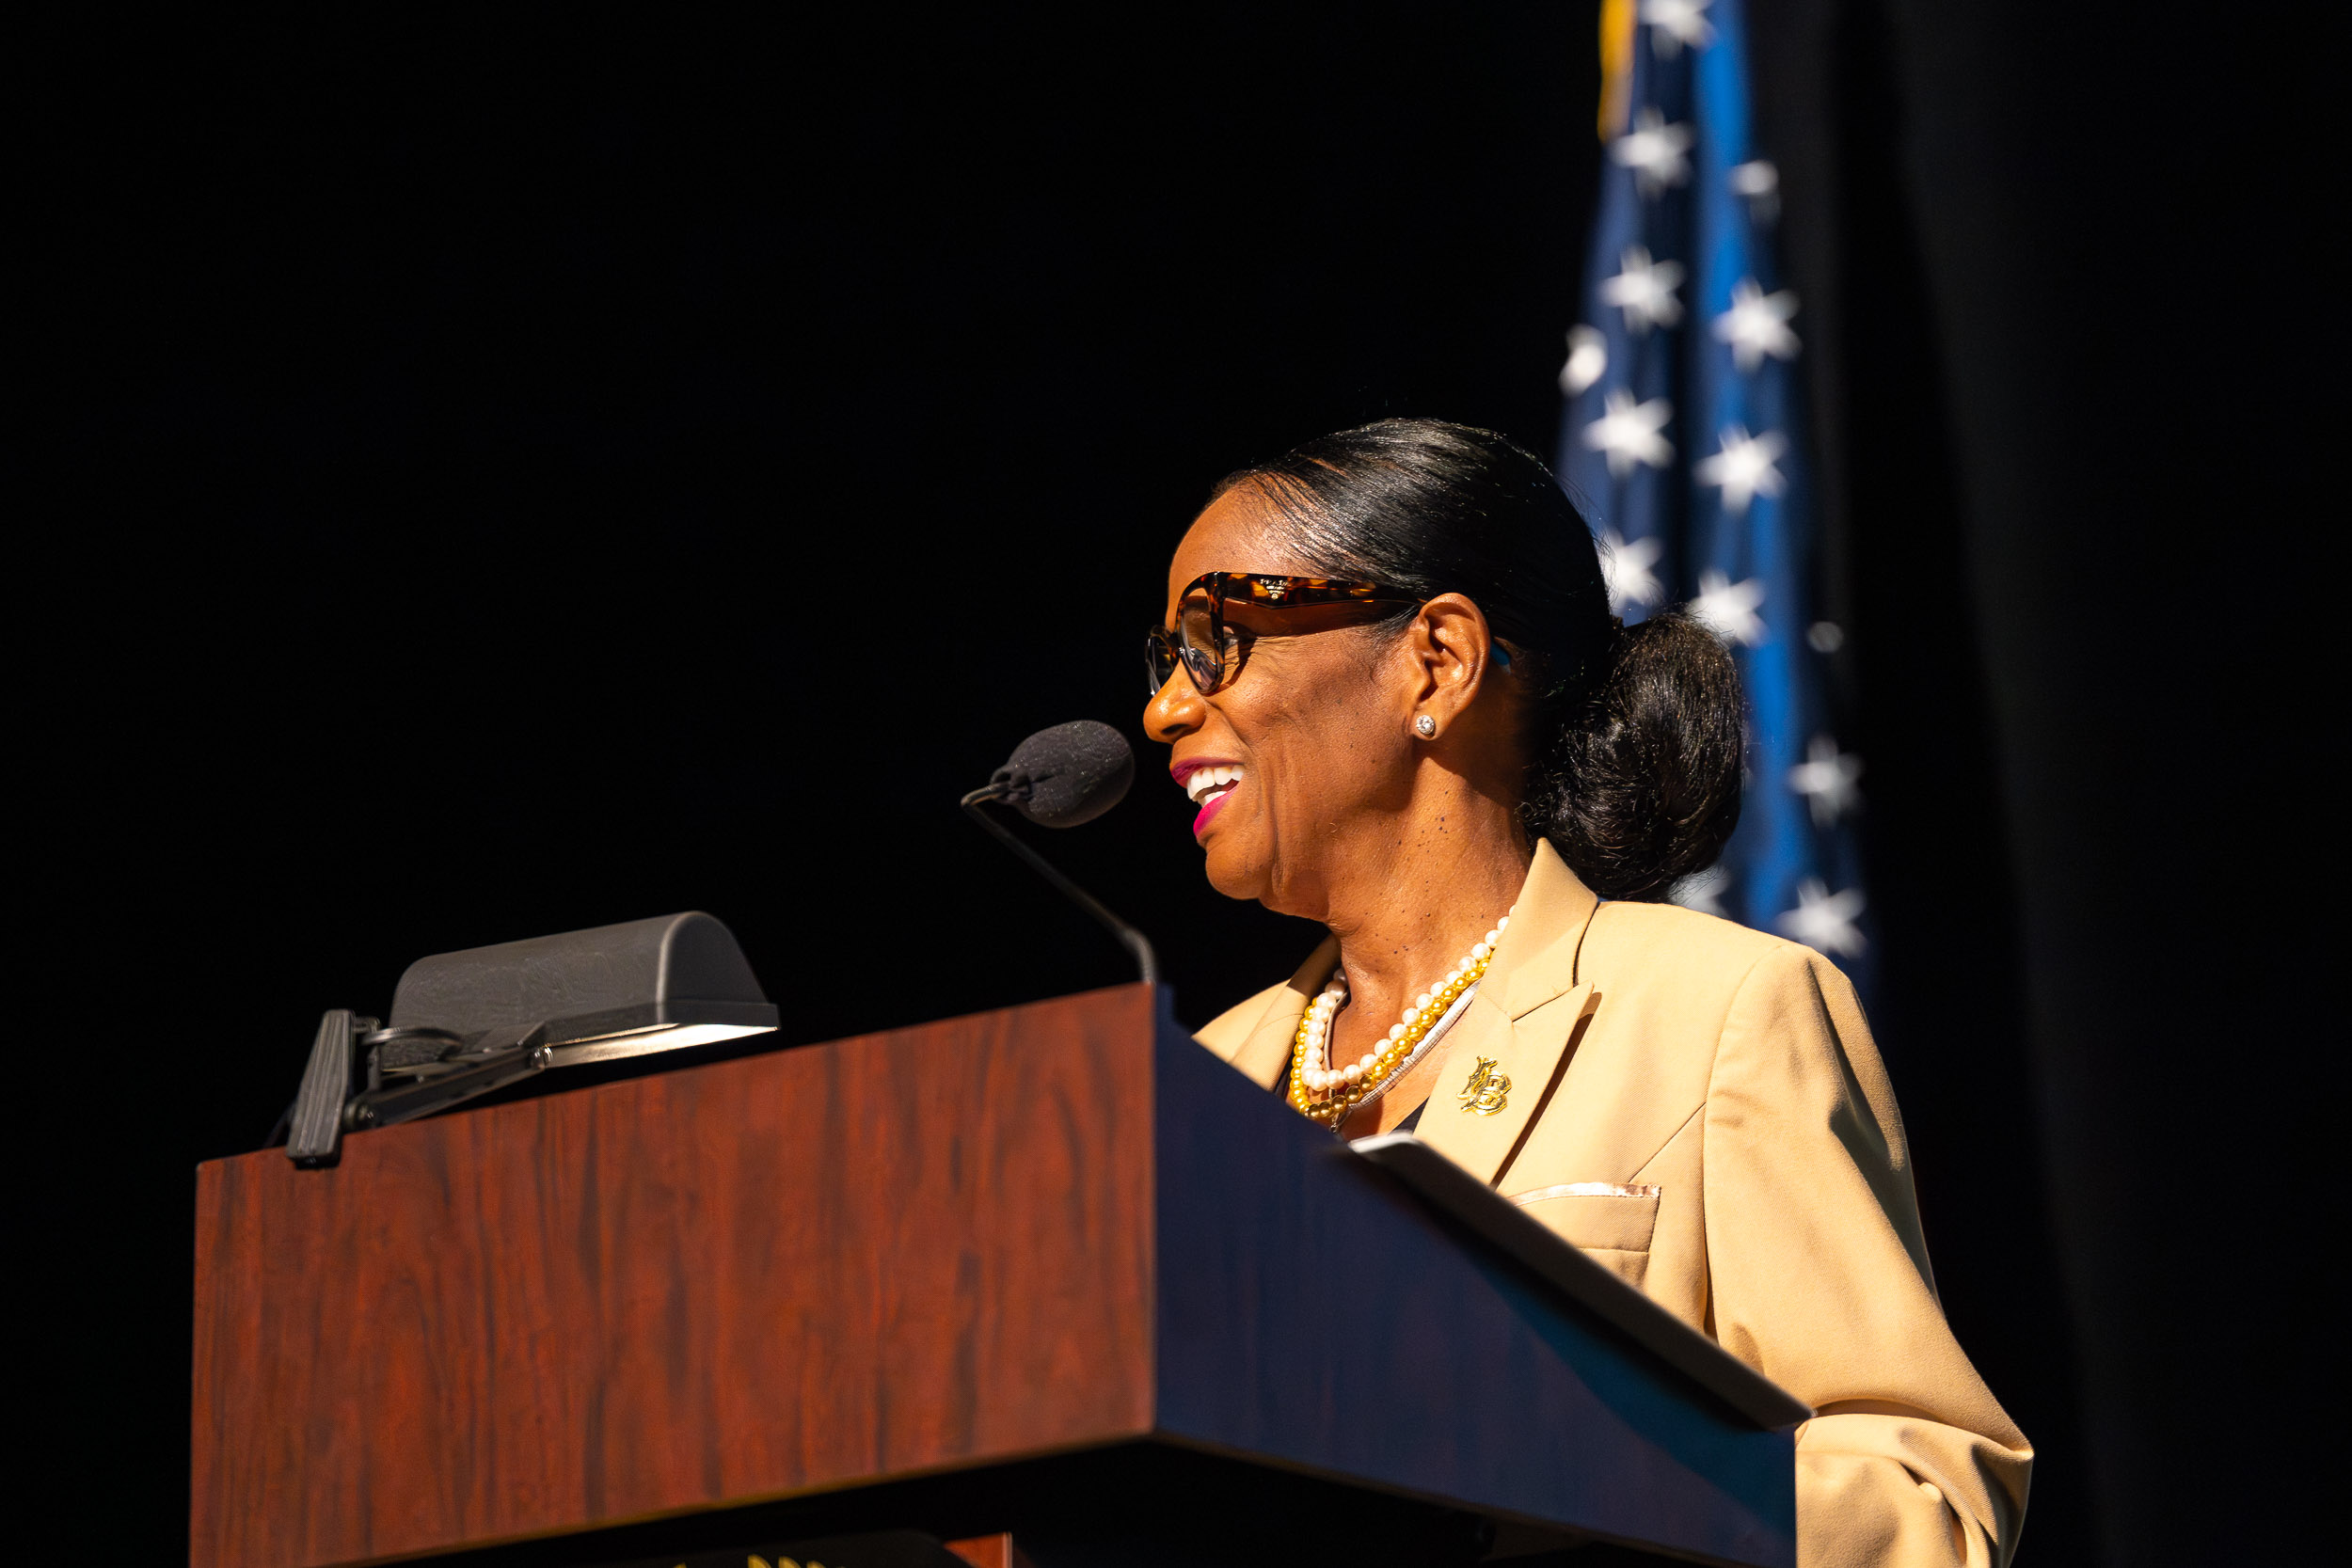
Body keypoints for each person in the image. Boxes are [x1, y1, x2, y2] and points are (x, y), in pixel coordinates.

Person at [1144, 419, 2031, 1568]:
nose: (1169, 706)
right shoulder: (1192, 1084)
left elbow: (1930, 1508)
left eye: (1218, 638)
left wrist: (1562, 1446)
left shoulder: (1719, 1010)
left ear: (1437, 659)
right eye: (1165, 657)